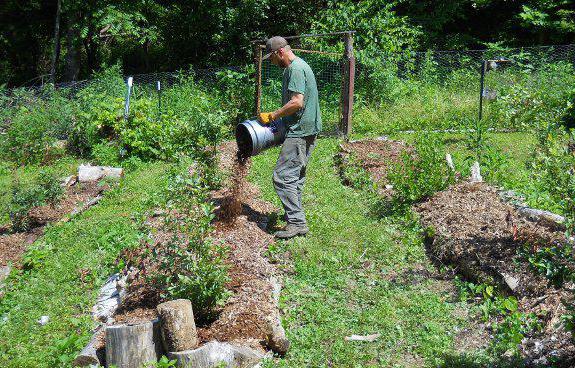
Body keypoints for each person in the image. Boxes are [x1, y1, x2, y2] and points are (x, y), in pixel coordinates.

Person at [258, 36, 322, 239]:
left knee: (282, 177)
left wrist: (273, 116)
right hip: (308, 128)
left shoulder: (294, 69)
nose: (271, 62)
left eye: (271, 58)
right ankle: (295, 218)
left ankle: (296, 222)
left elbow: (296, 103)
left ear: (280, 52)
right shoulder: (299, 65)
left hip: (300, 131)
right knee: (295, 178)